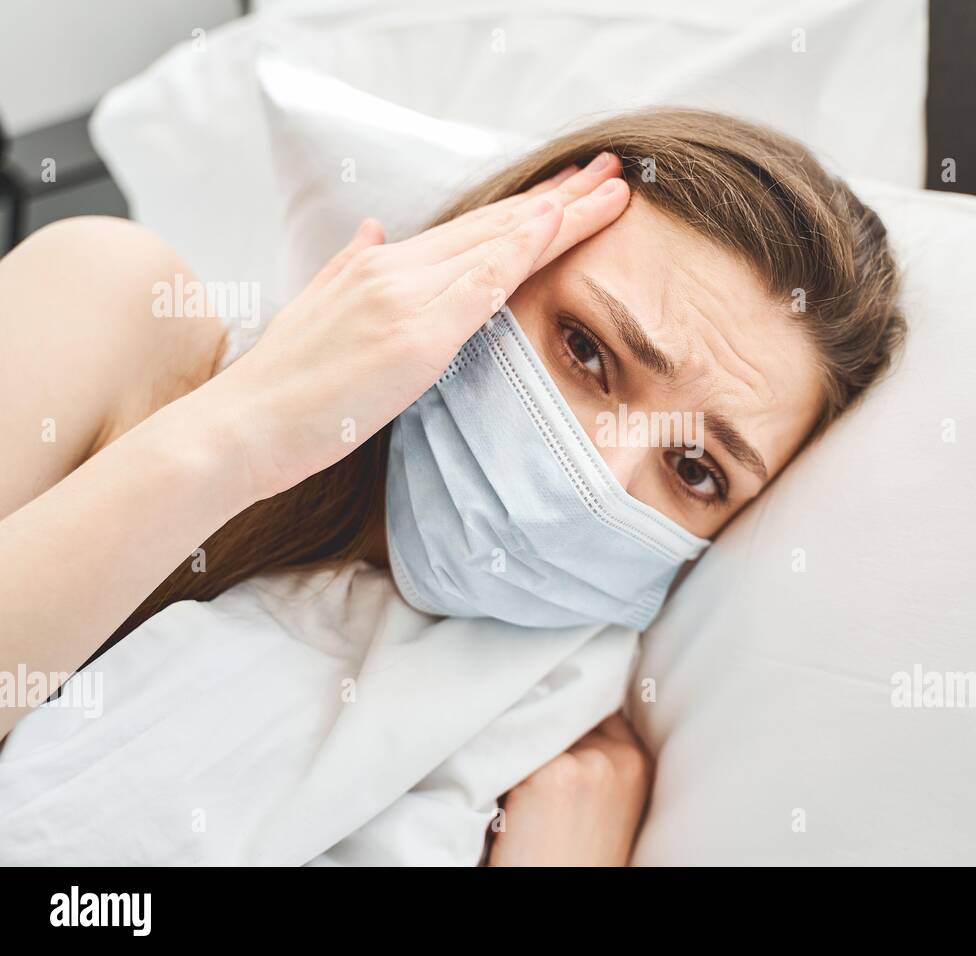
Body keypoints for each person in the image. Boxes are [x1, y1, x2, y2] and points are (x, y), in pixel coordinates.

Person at [0, 107, 904, 864]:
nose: (595, 474)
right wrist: (243, 432)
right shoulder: (116, 315)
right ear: (483, 259)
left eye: (693, 467)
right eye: (585, 349)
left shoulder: (557, 732)